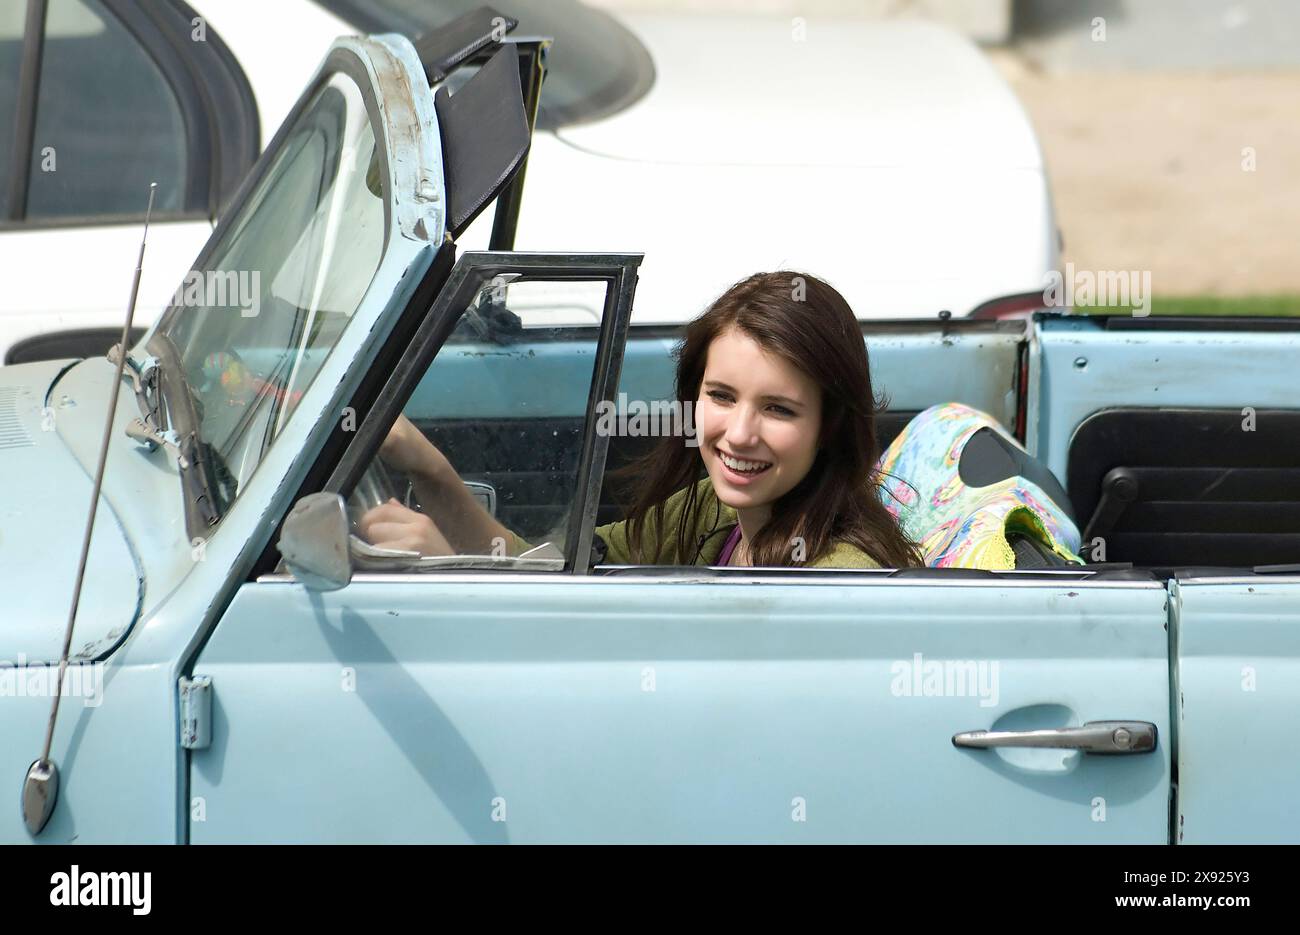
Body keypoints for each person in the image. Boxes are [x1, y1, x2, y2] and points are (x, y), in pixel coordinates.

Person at [359, 271, 922, 569]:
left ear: (829, 426)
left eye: (778, 409)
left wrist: (446, 567)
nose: (739, 433)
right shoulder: (711, 510)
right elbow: (550, 572)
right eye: (721, 397)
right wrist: (430, 470)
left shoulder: (839, 579)